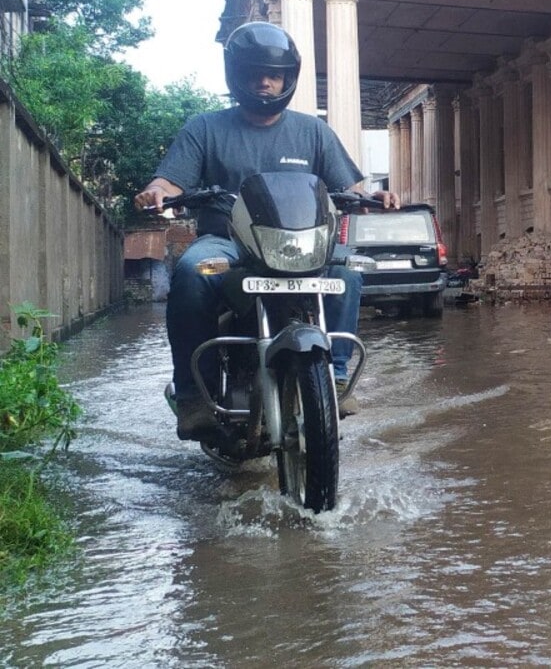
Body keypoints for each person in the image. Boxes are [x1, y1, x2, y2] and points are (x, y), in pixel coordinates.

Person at [133, 22, 398, 440]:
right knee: (189, 274)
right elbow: (169, 182)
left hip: (300, 245)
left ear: (288, 78)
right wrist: (155, 191)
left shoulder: (313, 131)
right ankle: (194, 397)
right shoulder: (205, 128)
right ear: (236, 74)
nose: (265, 81)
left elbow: (348, 187)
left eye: (274, 74)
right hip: (228, 243)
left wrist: (374, 197)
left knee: (348, 272)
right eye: (255, 72)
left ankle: (339, 377)